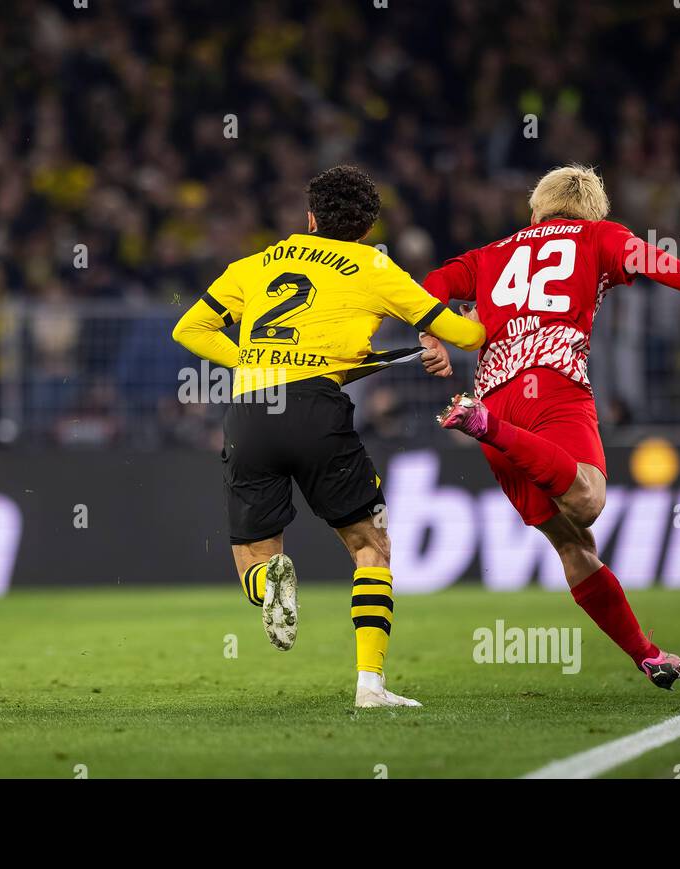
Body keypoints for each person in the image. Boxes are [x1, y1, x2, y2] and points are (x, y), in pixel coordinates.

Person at [424, 165, 680, 689]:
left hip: (496, 392)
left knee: (573, 543)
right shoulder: (598, 235)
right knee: (587, 502)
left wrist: (431, 336)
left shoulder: (489, 254)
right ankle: (485, 425)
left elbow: (433, 284)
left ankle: (648, 655)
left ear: (535, 209)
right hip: (553, 388)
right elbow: (647, 258)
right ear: (594, 212)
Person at [172, 165, 484, 707]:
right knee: (371, 548)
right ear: (367, 227)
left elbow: (189, 329)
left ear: (310, 218)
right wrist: (461, 323)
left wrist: (255, 359)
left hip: (249, 411)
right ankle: (370, 686)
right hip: (318, 412)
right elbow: (466, 335)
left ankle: (270, 586)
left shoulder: (253, 265)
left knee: (254, 555)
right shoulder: (374, 266)